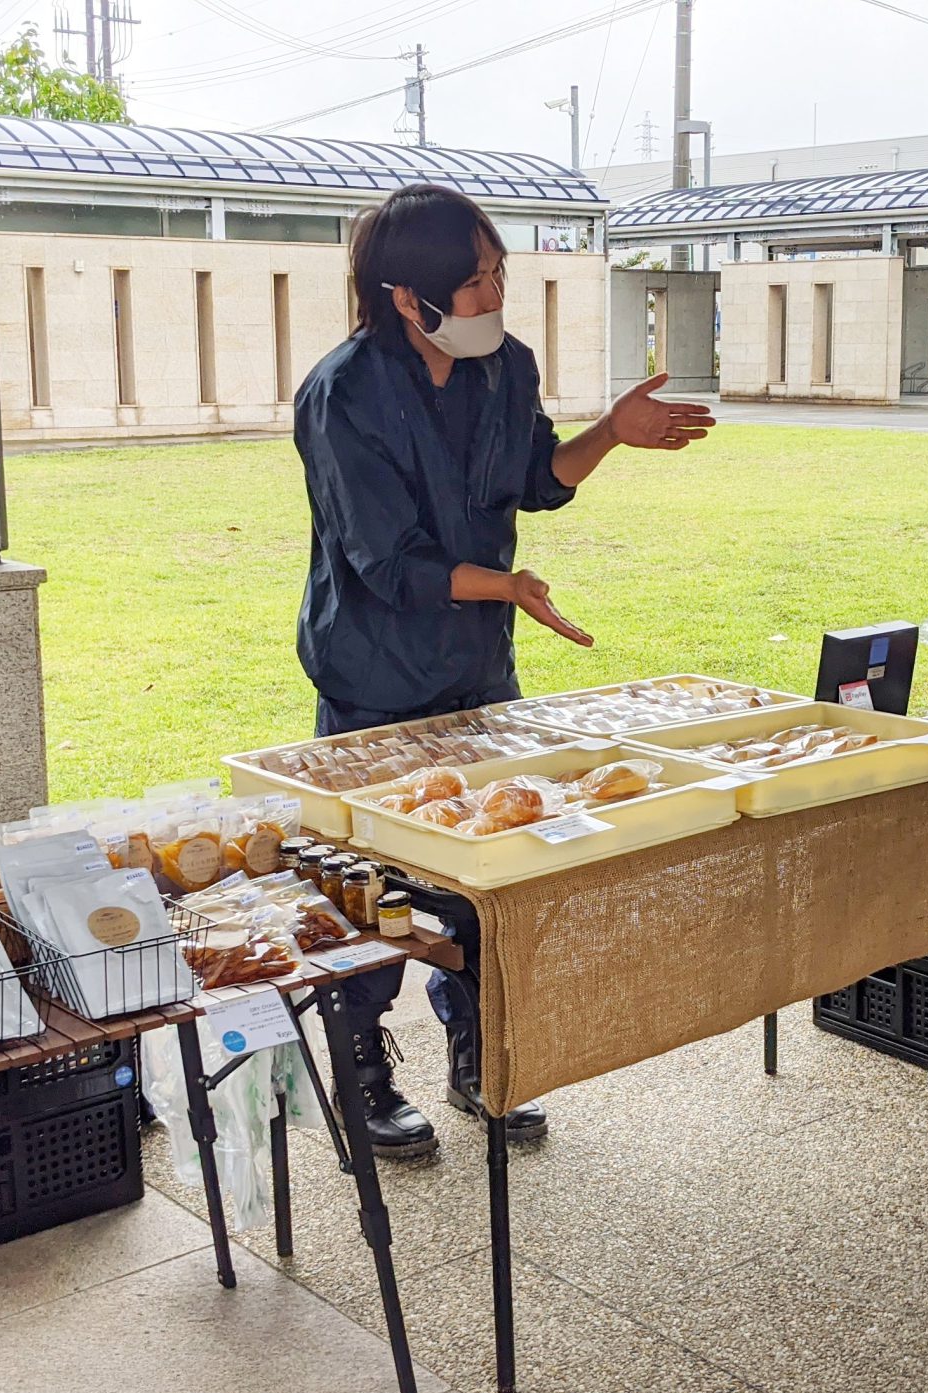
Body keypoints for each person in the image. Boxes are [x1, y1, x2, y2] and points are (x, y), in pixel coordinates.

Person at [293, 183, 715, 1160]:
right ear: (408, 297)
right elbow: (384, 562)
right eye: (475, 282)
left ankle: (479, 1052)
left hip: (478, 669)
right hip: (374, 672)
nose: (492, 297)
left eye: (496, 276)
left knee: (491, 872)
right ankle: (361, 1074)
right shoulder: (343, 393)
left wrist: (610, 434)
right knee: (372, 881)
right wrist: (510, 586)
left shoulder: (505, 367)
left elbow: (534, 480)